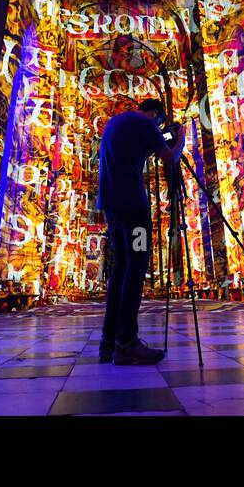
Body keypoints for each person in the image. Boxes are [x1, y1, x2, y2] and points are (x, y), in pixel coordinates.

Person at [96, 97, 185, 364]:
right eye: (159, 122)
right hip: (133, 207)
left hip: (111, 206)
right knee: (137, 267)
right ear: (156, 114)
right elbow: (169, 158)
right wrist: (180, 140)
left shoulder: (116, 122)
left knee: (121, 267)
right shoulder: (146, 125)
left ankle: (109, 342)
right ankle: (127, 342)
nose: (159, 127)